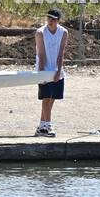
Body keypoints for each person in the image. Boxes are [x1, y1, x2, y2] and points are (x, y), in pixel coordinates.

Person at [34, 8, 68, 137]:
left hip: (57, 69)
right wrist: (42, 74)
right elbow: (41, 54)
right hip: (44, 69)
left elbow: (61, 53)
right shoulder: (40, 32)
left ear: (58, 20)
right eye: (48, 18)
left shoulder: (63, 32)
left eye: (53, 19)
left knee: (52, 98)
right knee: (46, 98)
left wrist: (58, 71)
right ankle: (48, 126)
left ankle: (41, 126)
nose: (50, 21)